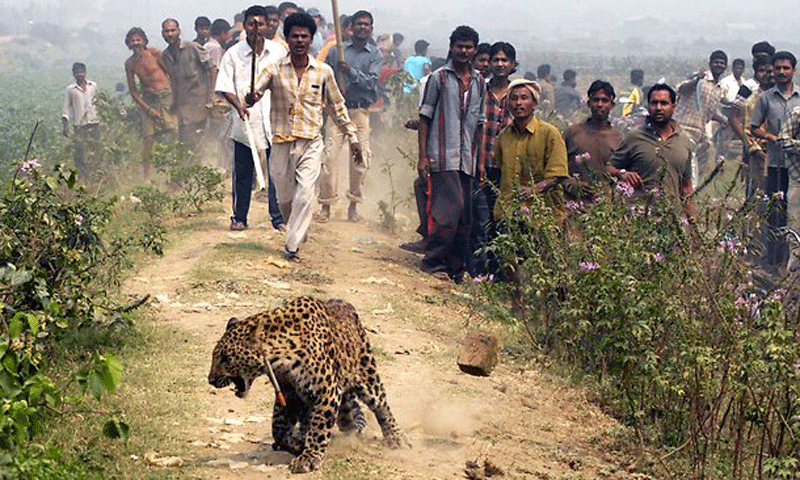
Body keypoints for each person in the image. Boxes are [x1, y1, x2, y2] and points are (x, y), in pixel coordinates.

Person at [250, 12, 363, 261]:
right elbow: (256, 91)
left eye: (304, 36)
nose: (300, 41)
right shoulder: (274, 69)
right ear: (287, 40)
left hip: (311, 141)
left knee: (304, 195)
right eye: (295, 36)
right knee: (286, 199)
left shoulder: (323, 72)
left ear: (311, 39)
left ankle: (291, 246)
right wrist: (251, 97)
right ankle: (298, 227)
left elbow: (337, 107)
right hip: (280, 142)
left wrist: (352, 137)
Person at [417, 25, 485, 283]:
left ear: (474, 50)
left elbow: (480, 122)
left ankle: (456, 269)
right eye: (459, 46)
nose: (464, 51)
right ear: (451, 47)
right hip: (442, 155)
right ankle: (432, 261)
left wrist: (477, 160)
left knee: (465, 217)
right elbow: (425, 117)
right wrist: (422, 155)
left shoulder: (479, 82)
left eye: (468, 47)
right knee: (449, 213)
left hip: (467, 158)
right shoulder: (439, 78)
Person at [216, 5, 287, 232]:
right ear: (244, 26)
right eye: (251, 24)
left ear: (268, 26)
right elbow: (224, 87)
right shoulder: (233, 54)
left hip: (274, 121)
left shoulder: (278, 52)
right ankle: (239, 217)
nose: (256, 29)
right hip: (244, 121)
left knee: (277, 172)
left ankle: (278, 218)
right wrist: (238, 105)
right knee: (243, 172)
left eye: (261, 24)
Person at [314, 10, 382, 223]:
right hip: (337, 112)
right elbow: (326, 79)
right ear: (351, 27)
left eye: (366, 24)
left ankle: (354, 205)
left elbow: (372, 82)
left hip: (360, 112)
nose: (363, 27)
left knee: (360, 161)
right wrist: (332, 95)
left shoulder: (375, 55)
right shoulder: (336, 51)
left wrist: (350, 71)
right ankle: (326, 206)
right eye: (359, 24)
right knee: (328, 159)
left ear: (371, 28)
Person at [606, 84, 695, 216]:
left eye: (664, 103)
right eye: (654, 103)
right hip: (638, 219)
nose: (658, 108)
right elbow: (608, 168)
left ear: (673, 107)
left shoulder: (684, 142)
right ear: (648, 106)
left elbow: (686, 187)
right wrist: (622, 173)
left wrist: (693, 225)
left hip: (671, 220)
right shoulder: (634, 137)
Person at [469, 41, 515, 276]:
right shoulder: (479, 90)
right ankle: (477, 274)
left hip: (508, 172)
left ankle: (498, 276)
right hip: (481, 167)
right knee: (480, 222)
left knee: (503, 224)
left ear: (513, 65)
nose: (499, 64)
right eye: (495, 60)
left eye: (504, 60)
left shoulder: (518, 95)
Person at [750, 51, 800, 271]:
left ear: (793, 71)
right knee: (775, 213)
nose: (781, 72)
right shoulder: (766, 98)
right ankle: (773, 262)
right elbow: (753, 128)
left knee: (794, 214)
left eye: (785, 68)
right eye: (777, 68)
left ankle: (793, 262)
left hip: (797, 167)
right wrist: (769, 136)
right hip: (776, 165)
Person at [493, 78, 568, 221]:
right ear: (508, 104)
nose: (518, 103)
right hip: (509, 214)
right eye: (513, 99)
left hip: (543, 216)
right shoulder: (503, 137)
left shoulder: (550, 133)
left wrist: (534, 190)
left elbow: (558, 175)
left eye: (524, 98)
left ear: (534, 103)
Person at [124, 27, 178, 176]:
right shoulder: (130, 64)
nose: (136, 43)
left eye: (138, 39)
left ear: (144, 41)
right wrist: (148, 110)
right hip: (149, 101)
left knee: (175, 132)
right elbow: (134, 92)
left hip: (167, 96)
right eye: (133, 40)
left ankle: (178, 171)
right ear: (128, 43)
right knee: (148, 139)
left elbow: (170, 74)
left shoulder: (154, 53)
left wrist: (175, 97)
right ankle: (146, 177)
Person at [161, 18, 215, 153]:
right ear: (162, 34)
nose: (170, 34)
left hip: (200, 103)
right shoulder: (165, 55)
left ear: (179, 31)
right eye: (167, 31)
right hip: (182, 107)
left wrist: (212, 94)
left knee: (202, 141)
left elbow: (212, 68)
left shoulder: (192, 48)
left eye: (172, 30)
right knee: (185, 144)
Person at [674, 50, 728, 185]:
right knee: (682, 167)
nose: (719, 65)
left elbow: (709, 111)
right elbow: (682, 89)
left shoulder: (719, 89)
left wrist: (725, 121)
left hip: (698, 133)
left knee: (694, 165)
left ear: (725, 67)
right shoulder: (699, 79)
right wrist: (696, 80)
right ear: (710, 64)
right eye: (716, 62)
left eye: (722, 63)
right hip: (682, 128)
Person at [562, 80, 622, 200]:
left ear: (612, 105)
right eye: (596, 100)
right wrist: (571, 184)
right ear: (589, 103)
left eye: (605, 101)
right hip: (574, 204)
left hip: (605, 206)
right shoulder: (572, 133)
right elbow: (558, 167)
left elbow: (621, 174)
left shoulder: (618, 139)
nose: (600, 104)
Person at [729, 55, 774, 199]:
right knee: (756, 192)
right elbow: (735, 118)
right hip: (756, 148)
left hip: (776, 150)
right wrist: (751, 147)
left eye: (769, 71)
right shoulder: (750, 91)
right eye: (762, 71)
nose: (767, 75)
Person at [61, 62, 100, 180]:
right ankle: (83, 175)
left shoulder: (93, 86)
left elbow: (99, 101)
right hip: (80, 125)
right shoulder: (71, 90)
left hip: (94, 122)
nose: (80, 74)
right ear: (74, 74)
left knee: (96, 148)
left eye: (81, 72)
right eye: (77, 72)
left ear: (85, 72)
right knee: (80, 150)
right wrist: (65, 125)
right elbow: (66, 108)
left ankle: (96, 172)